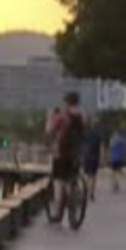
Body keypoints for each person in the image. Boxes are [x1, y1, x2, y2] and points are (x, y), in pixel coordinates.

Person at [44, 90, 86, 219]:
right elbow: (84, 131)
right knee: (70, 178)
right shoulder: (83, 116)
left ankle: (57, 213)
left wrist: (49, 117)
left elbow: (49, 131)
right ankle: (74, 197)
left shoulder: (62, 116)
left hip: (61, 153)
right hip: (77, 153)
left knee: (58, 182)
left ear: (66, 102)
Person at [82, 123, 103, 202]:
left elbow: (82, 145)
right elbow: (101, 147)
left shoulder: (85, 134)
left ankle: (86, 192)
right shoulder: (98, 135)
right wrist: (101, 158)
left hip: (87, 157)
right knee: (93, 176)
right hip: (95, 157)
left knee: (87, 176)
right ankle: (91, 193)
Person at [109, 125, 126, 192]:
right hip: (120, 158)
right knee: (117, 172)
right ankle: (116, 184)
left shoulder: (113, 140)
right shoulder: (123, 139)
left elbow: (111, 147)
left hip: (114, 158)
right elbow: (125, 149)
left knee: (113, 172)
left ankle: (114, 185)